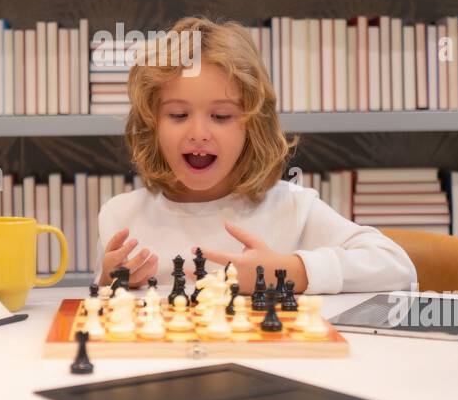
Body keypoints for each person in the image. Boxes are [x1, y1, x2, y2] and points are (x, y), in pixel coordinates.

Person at [97, 15, 417, 294]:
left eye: (221, 117)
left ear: (252, 126)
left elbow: (397, 267)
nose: (198, 133)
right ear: (151, 125)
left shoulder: (292, 208)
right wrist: (108, 282)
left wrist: (286, 272)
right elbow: (101, 309)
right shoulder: (121, 216)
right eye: (178, 115)